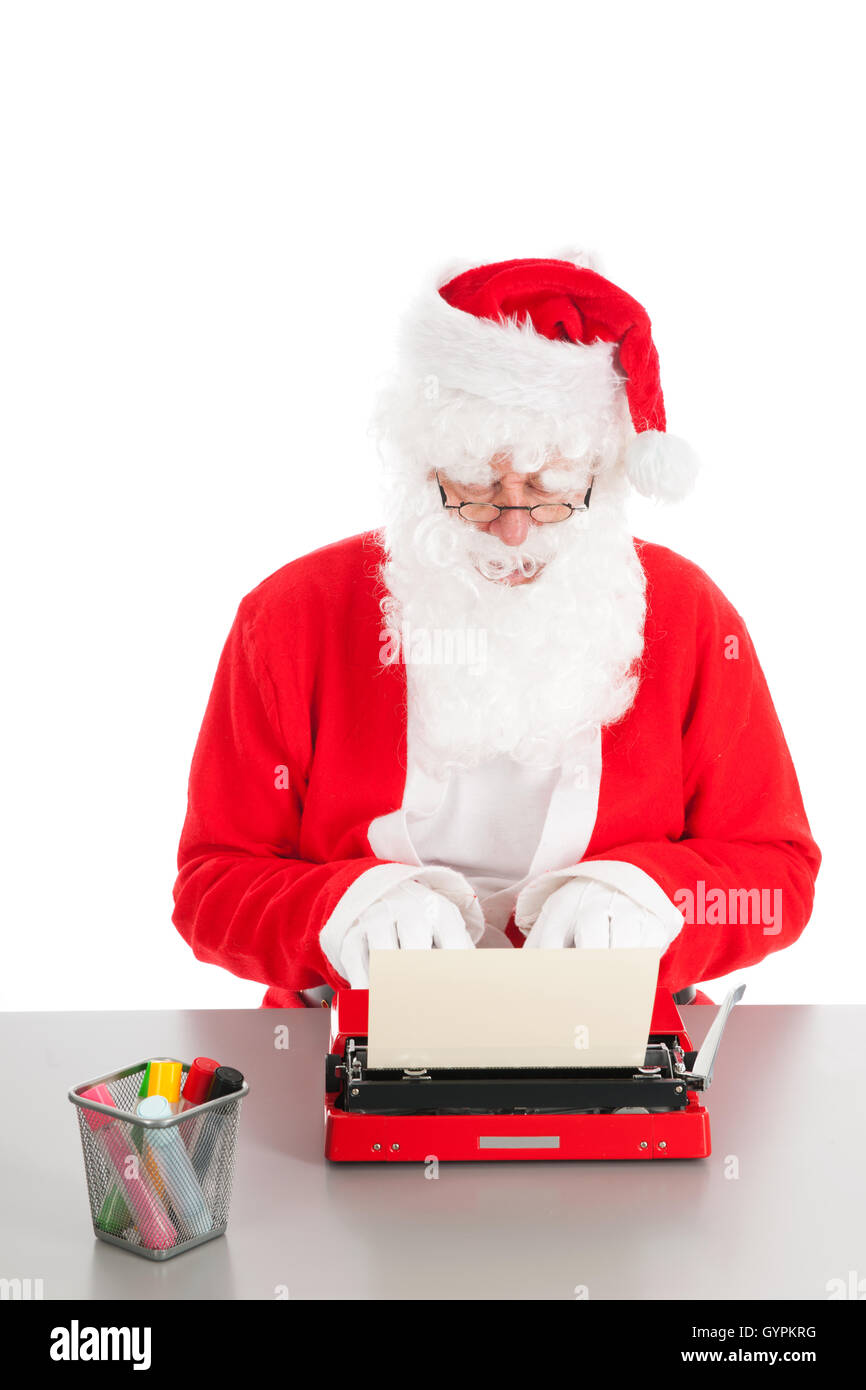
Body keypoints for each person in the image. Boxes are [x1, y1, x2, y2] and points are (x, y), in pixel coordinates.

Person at [172, 252, 820, 1007]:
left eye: (549, 494)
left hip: (625, 1038)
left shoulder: (688, 614)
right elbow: (210, 886)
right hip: (345, 1035)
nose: (513, 533)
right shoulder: (289, 617)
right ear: (424, 471)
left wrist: (653, 898)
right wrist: (341, 910)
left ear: (602, 479)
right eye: (476, 491)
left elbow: (777, 876)